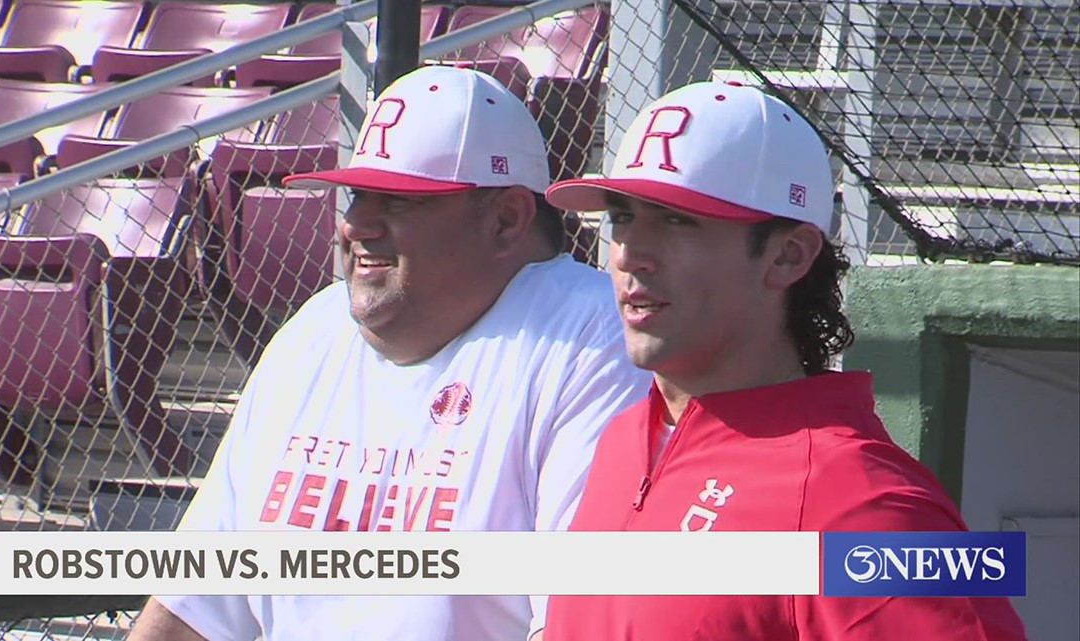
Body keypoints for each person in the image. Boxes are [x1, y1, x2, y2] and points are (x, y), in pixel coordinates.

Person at [127, 65, 650, 641]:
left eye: (398, 201)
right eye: (357, 195)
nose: (355, 224)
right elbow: (190, 608)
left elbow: (576, 625)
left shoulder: (590, 341)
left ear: (506, 219)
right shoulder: (317, 330)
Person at [538, 81, 1029, 640]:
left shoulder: (861, 498)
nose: (630, 255)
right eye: (622, 218)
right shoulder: (626, 436)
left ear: (788, 255)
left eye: (677, 220)